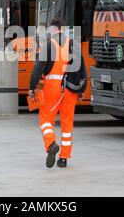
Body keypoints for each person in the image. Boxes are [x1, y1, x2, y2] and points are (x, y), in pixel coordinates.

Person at [29, 17, 87, 168]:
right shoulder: (74, 45)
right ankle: (64, 158)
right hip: (70, 89)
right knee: (67, 123)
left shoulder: (49, 46)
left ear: (53, 29)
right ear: (63, 29)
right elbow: (82, 69)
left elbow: (38, 67)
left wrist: (32, 86)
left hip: (52, 88)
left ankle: (51, 144)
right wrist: (81, 89)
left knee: (45, 120)